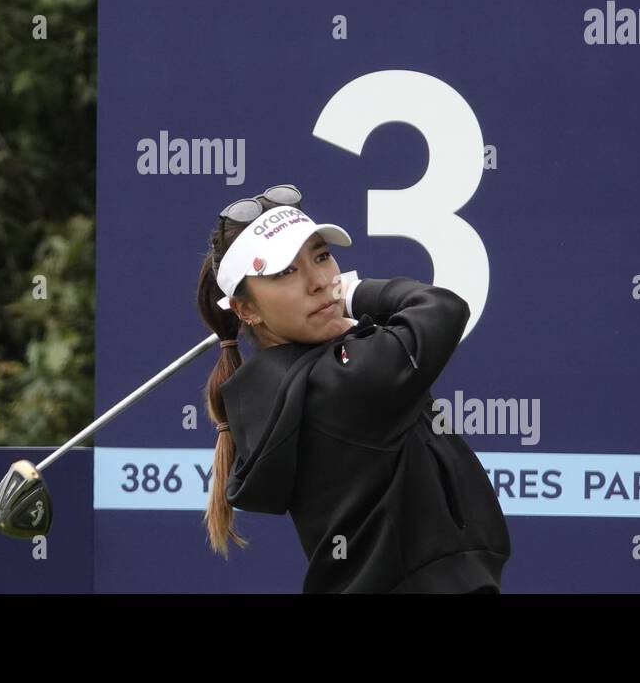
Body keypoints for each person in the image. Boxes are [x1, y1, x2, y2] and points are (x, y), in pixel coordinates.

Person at [196, 183, 512, 593]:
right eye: (285, 272)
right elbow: (442, 309)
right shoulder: (339, 383)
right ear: (246, 310)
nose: (318, 281)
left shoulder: (300, 379)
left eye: (322, 257)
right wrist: (353, 293)